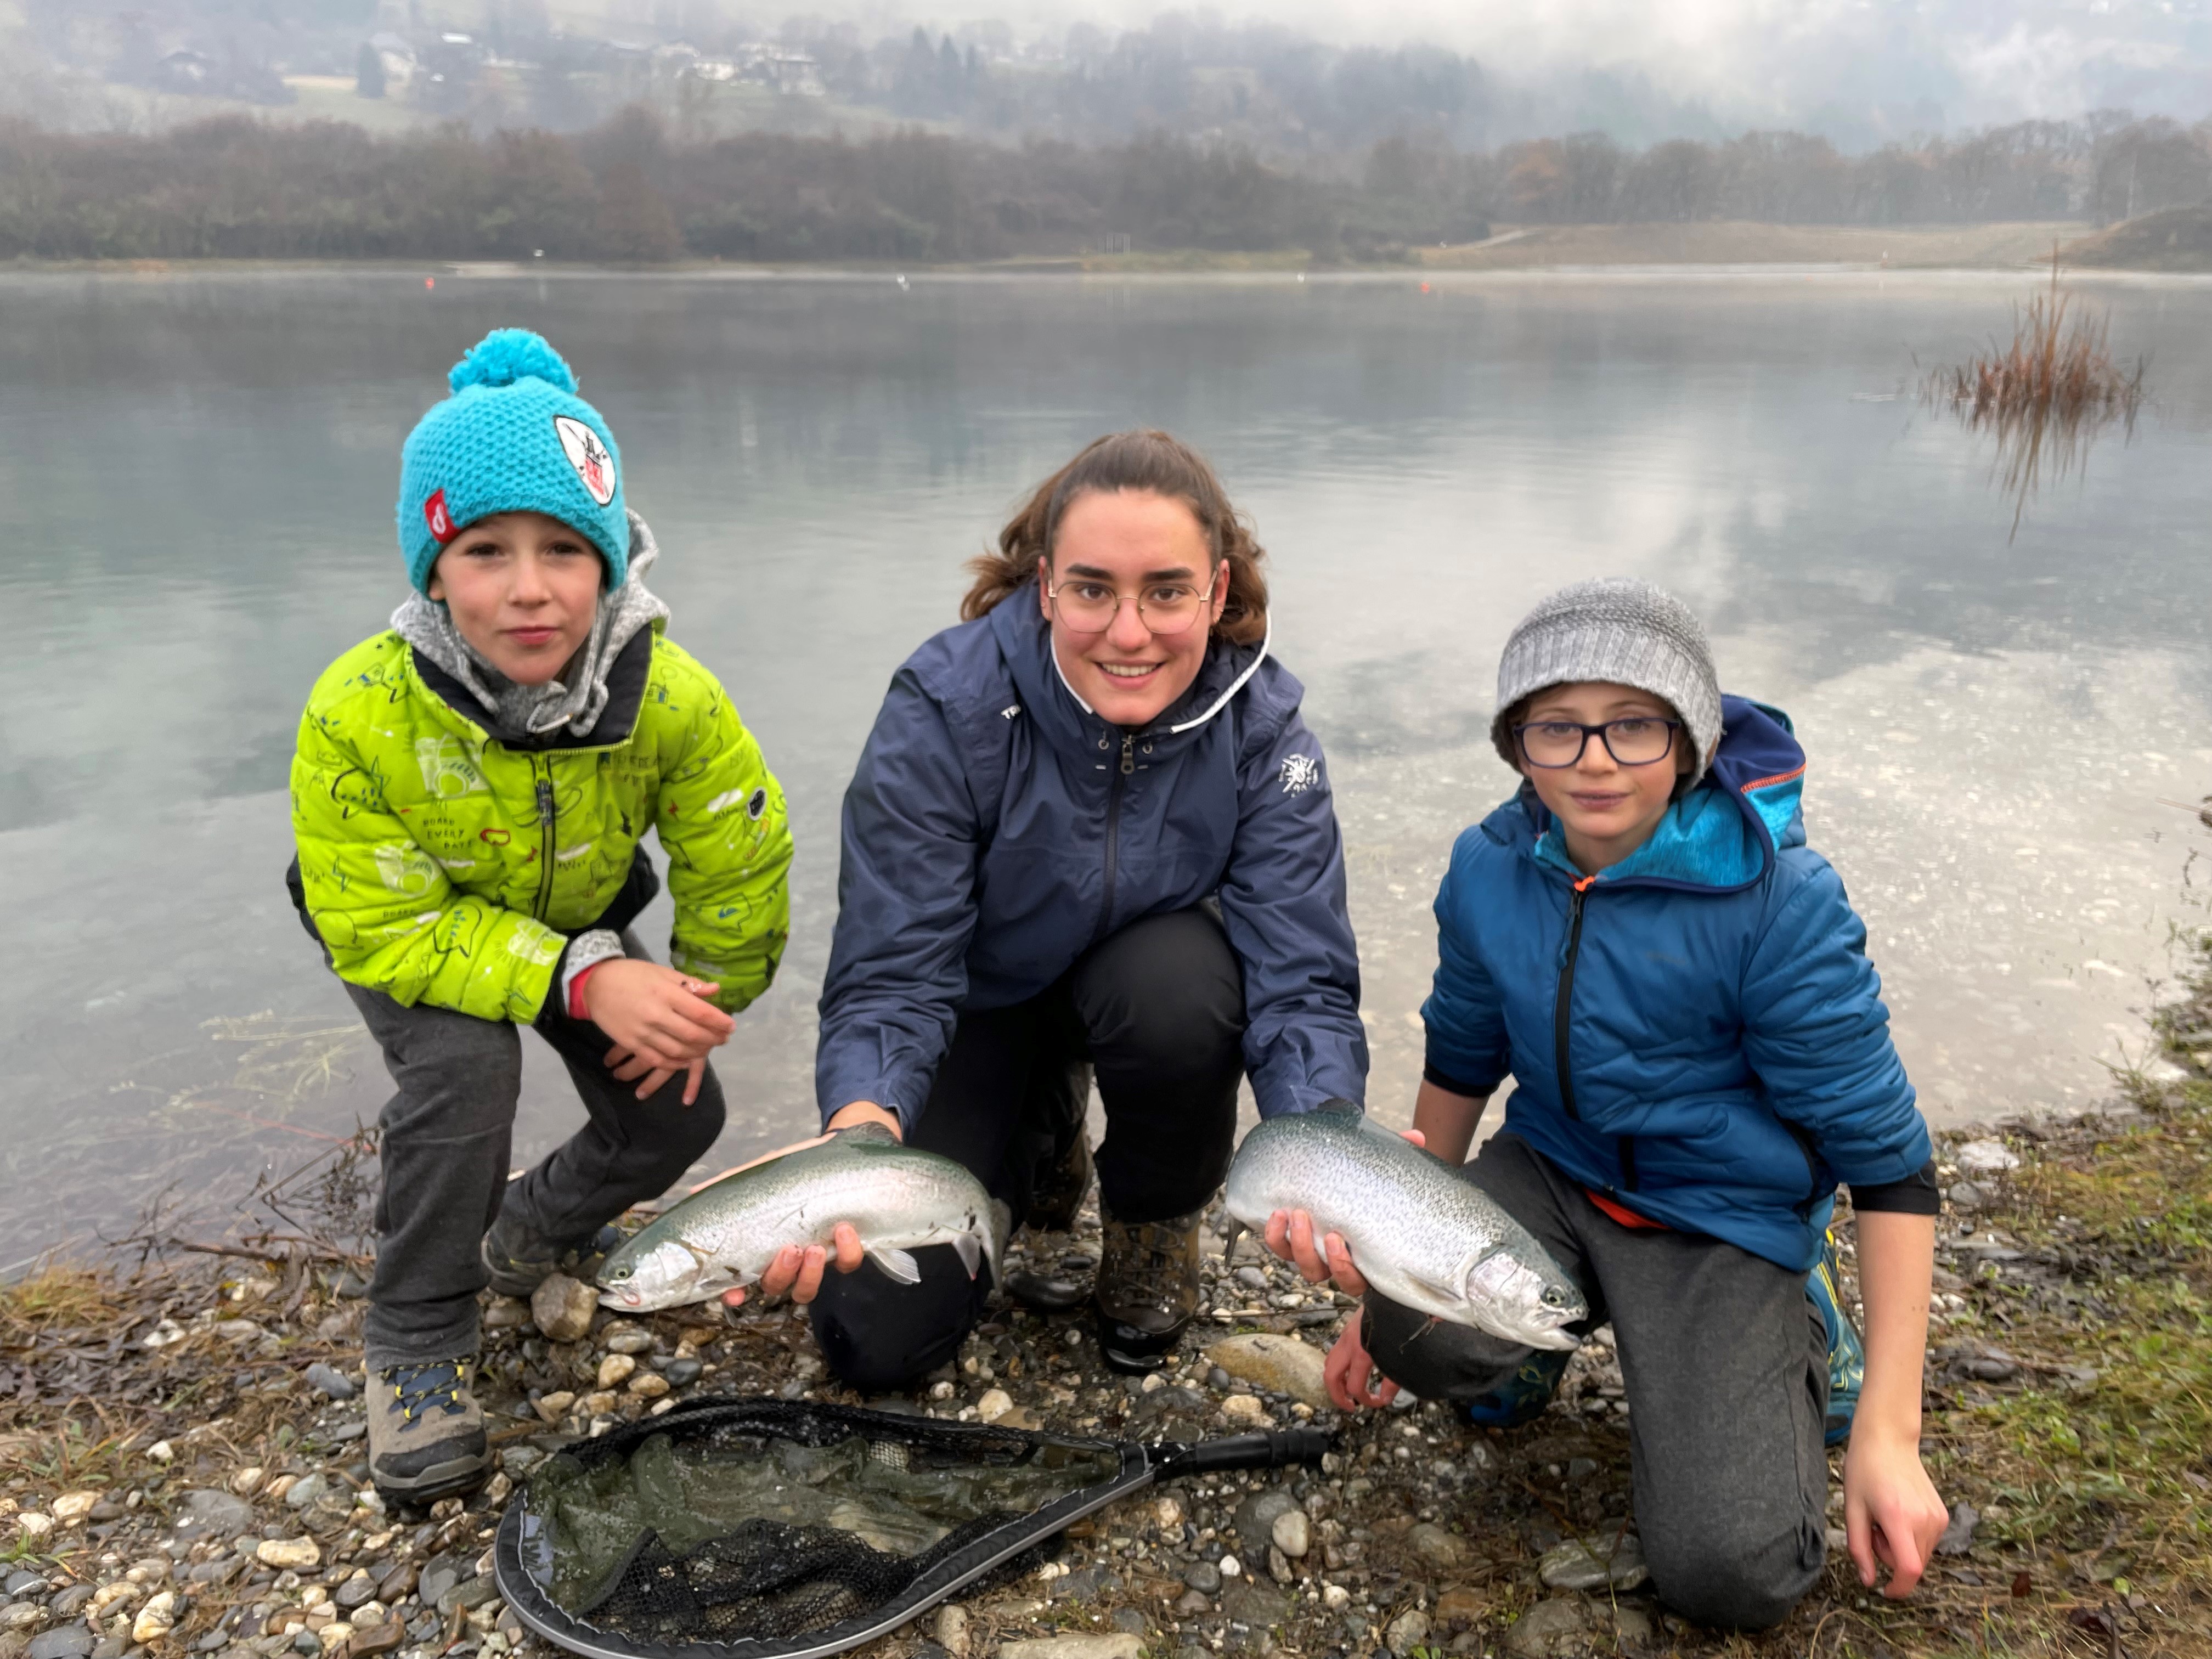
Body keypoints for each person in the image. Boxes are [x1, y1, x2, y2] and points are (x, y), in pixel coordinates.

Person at [1267, 578, 1948, 1629]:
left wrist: (1891, 1436)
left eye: (1633, 725)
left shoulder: (1782, 904)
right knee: (1415, 1335)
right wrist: (1388, 1282)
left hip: (1720, 1215)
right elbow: (1462, 1062)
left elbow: (1893, 1166)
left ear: (1692, 741)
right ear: (1516, 745)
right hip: (1555, 1168)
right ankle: (1530, 1353)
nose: (1594, 760)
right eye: (1558, 727)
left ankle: (1809, 1317)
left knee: (1735, 1578)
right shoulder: (1489, 868)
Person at [287, 329, 793, 1503]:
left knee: (677, 1113)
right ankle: (417, 1335)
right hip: (410, 928)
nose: (530, 587)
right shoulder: (355, 712)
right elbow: (382, 927)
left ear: (611, 563)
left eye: (565, 548)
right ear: (433, 570)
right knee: (467, 1074)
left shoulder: (670, 697)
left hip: (578, 915)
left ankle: (523, 1236)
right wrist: (582, 978)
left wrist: (703, 991)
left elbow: (736, 853)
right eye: (485, 551)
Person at [751, 429, 1365, 1385]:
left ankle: (1154, 1225)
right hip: (975, 1007)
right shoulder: (945, 708)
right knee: (875, 1342)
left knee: (1181, 987)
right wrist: (862, 1136)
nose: (1129, 632)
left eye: (1167, 592)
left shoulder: (1262, 732)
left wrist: (1327, 1150)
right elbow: (892, 970)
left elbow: (1301, 978)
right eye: (1092, 590)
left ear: (1217, 592)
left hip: (1149, 996)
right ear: (1045, 588)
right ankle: (1041, 1148)